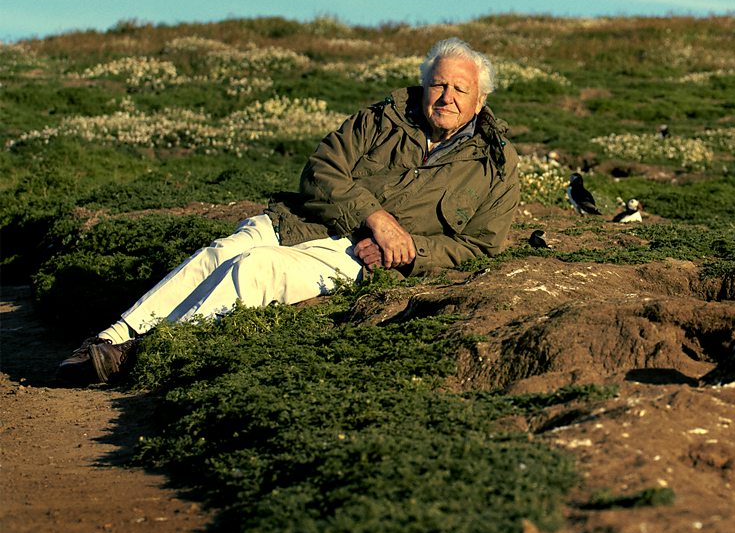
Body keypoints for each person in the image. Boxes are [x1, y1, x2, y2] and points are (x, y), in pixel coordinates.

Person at [57, 38, 521, 384]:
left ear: (479, 100)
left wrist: (408, 249)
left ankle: (143, 354)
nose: (447, 97)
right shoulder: (380, 118)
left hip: (359, 254)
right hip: (303, 219)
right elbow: (321, 170)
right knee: (220, 252)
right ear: (423, 86)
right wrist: (377, 218)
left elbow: (479, 246)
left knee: (254, 271)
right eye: (438, 84)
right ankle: (113, 337)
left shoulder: (496, 164)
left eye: (460, 89)